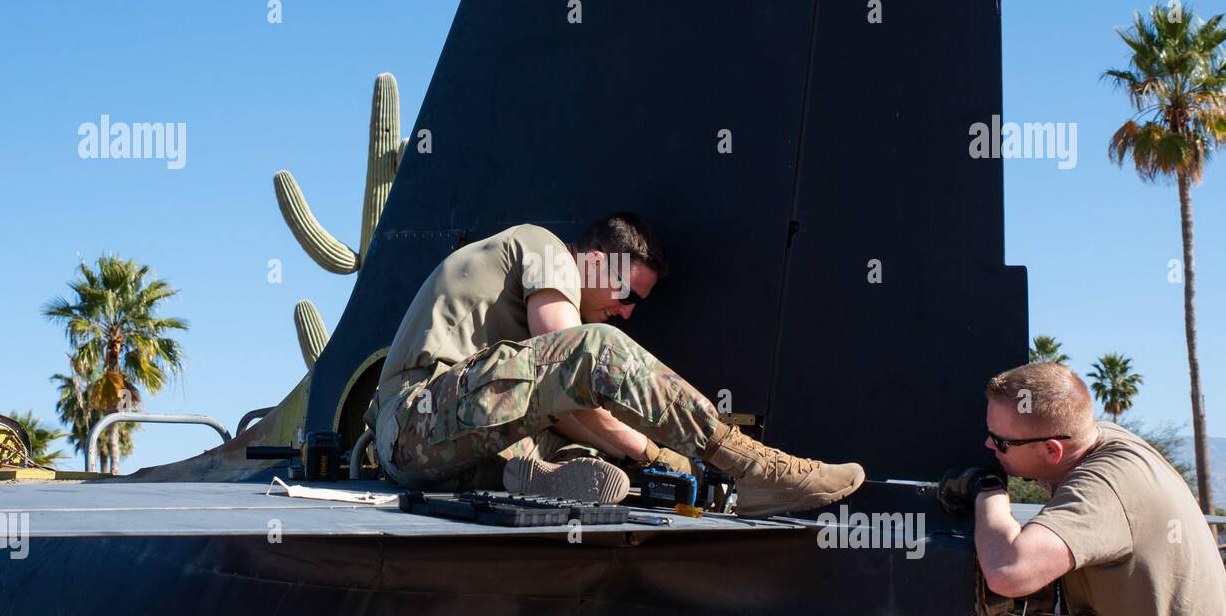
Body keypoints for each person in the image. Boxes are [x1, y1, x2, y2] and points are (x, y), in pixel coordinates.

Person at [366, 213, 865, 516]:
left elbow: (556, 400)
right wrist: (658, 455)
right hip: (415, 420)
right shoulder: (544, 247)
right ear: (597, 259)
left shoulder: (521, 340)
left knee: (594, 452)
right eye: (625, 291)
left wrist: (642, 460)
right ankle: (752, 465)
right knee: (595, 348)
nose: (628, 310)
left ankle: (532, 475)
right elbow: (570, 357)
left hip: (450, 457)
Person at [939, 361, 1226, 616]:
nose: (989, 445)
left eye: (1002, 442)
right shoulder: (1096, 438)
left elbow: (1009, 572)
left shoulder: (1102, 487)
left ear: (1051, 450)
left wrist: (988, 490)